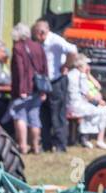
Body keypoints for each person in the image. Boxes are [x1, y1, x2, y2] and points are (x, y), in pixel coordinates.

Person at [34, 19, 78, 153]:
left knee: (57, 113)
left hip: (57, 81)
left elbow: (73, 50)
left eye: (36, 33)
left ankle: (60, 145)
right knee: (44, 113)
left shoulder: (55, 40)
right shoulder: (40, 43)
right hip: (44, 82)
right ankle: (46, 143)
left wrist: (66, 66)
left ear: (42, 32)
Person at [9, 23, 47, 156]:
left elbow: (20, 70)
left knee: (20, 116)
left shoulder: (18, 47)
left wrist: (21, 89)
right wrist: (43, 90)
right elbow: (44, 68)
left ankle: (23, 146)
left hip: (23, 89)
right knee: (35, 117)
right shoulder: (38, 46)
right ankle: (36, 146)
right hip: (37, 88)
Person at [68, 56, 106, 149]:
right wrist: (98, 102)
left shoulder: (71, 74)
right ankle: (99, 140)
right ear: (81, 65)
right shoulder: (81, 76)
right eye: (86, 64)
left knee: (98, 111)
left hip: (71, 105)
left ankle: (86, 139)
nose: (88, 66)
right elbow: (86, 94)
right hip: (79, 106)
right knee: (104, 112)